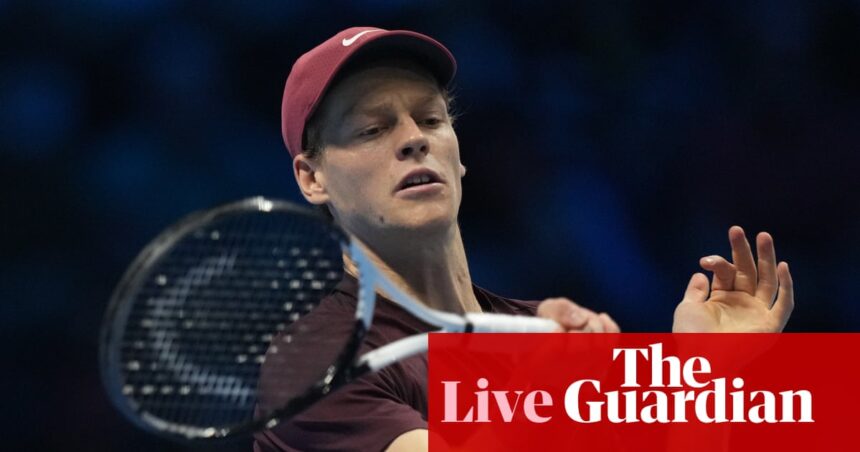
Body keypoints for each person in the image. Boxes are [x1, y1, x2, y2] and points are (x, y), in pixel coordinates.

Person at [254, 27, 794, 452]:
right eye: (373, 129)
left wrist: (704, 374)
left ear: (459, 155)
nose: (414, 140)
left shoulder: (541, 332)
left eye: (430, 118)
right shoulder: (314, 361)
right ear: (311, 177)